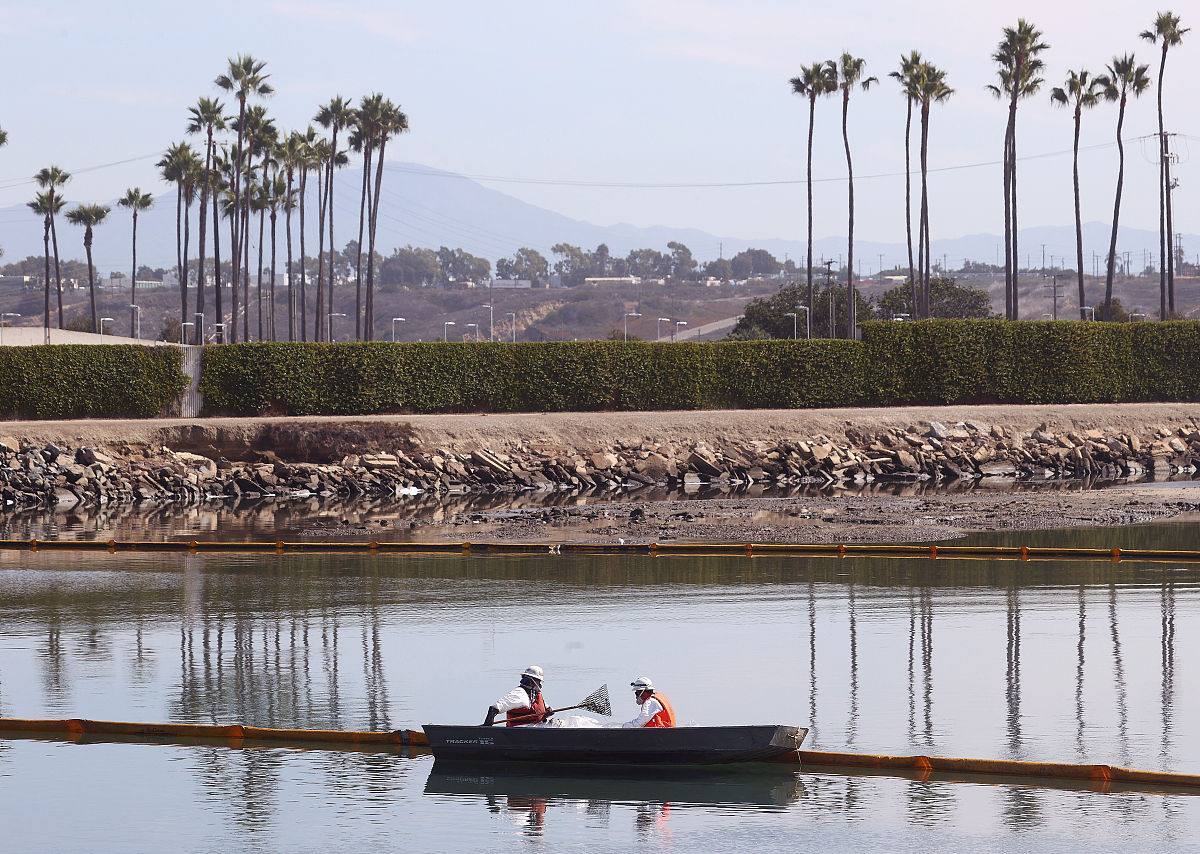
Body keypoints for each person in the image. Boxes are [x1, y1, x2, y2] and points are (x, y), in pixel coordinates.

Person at [482, 665, 554, 727]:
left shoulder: (534, 694)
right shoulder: (519, 694)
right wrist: (488, 722)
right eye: (539, 682)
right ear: (531, 682)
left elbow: (544, 708)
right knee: (558, 724)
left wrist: (548, 711)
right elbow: (496, 707)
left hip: (534, 727)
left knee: (559, 723)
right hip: (521, 730)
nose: (540, 685)